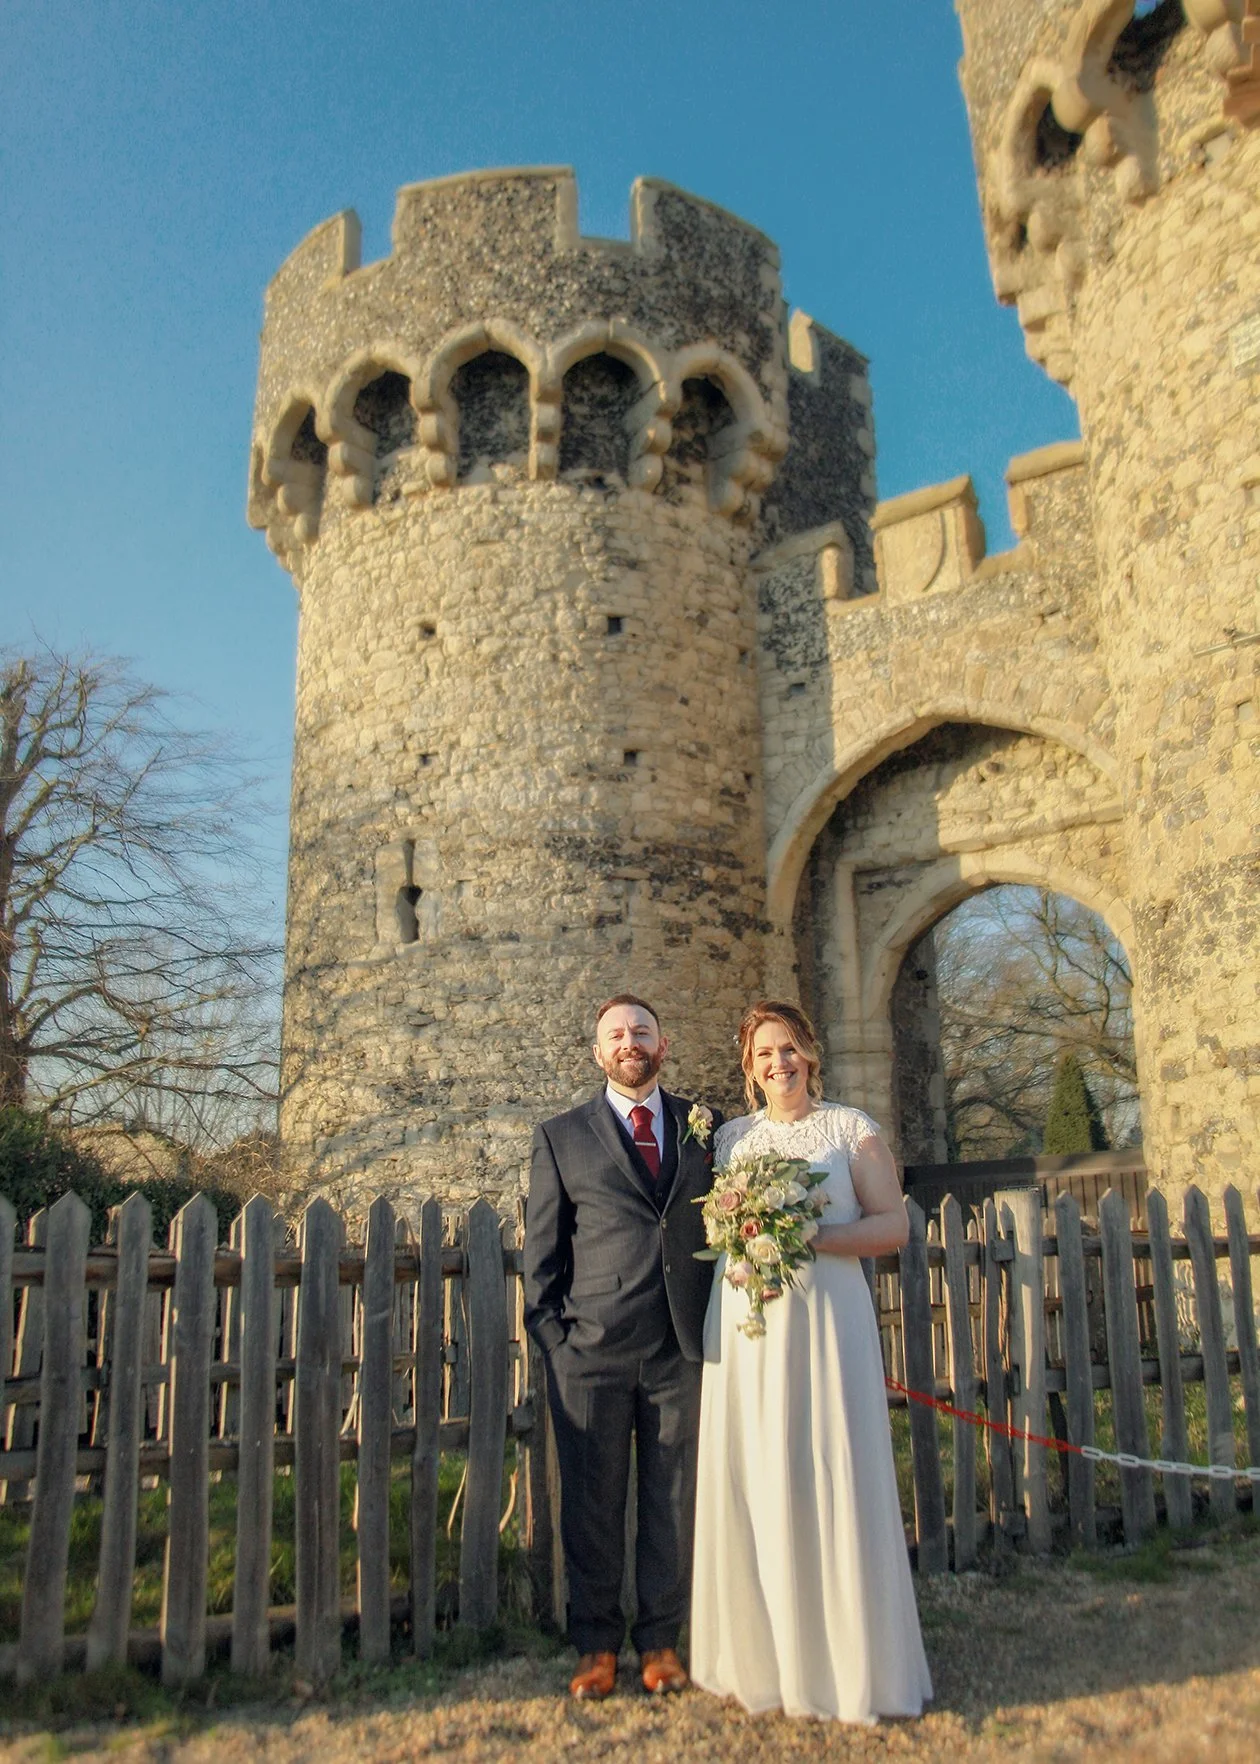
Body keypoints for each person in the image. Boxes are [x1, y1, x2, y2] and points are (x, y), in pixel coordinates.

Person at [689, 999, 932, 1723]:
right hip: (747, 1325)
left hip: (827, 1321)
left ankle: (850, 1666)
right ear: (749, 1068)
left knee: (832, 1469)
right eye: (765, 1054)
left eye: (789, 1049)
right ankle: (764, 1661)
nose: (778, 1063)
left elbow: (893, 1227)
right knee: (758, 1474)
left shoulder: (849, 1131)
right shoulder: (730, 1138)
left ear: (811, 1055)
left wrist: (809, 1235)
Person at [522, 994, 719, 1700]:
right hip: (592, 1352)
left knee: (671, 1499)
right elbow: (542, 1252)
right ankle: (596, 1645)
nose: (629, 1043)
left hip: (679, 1347)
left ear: (663, 1046)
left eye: (641, 1032)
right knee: (592, 1505)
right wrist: (555, 1343)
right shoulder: (560, 1136)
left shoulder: (706, 1128)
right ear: (598, 1052)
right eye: (616, 1034)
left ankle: (660, 1642)